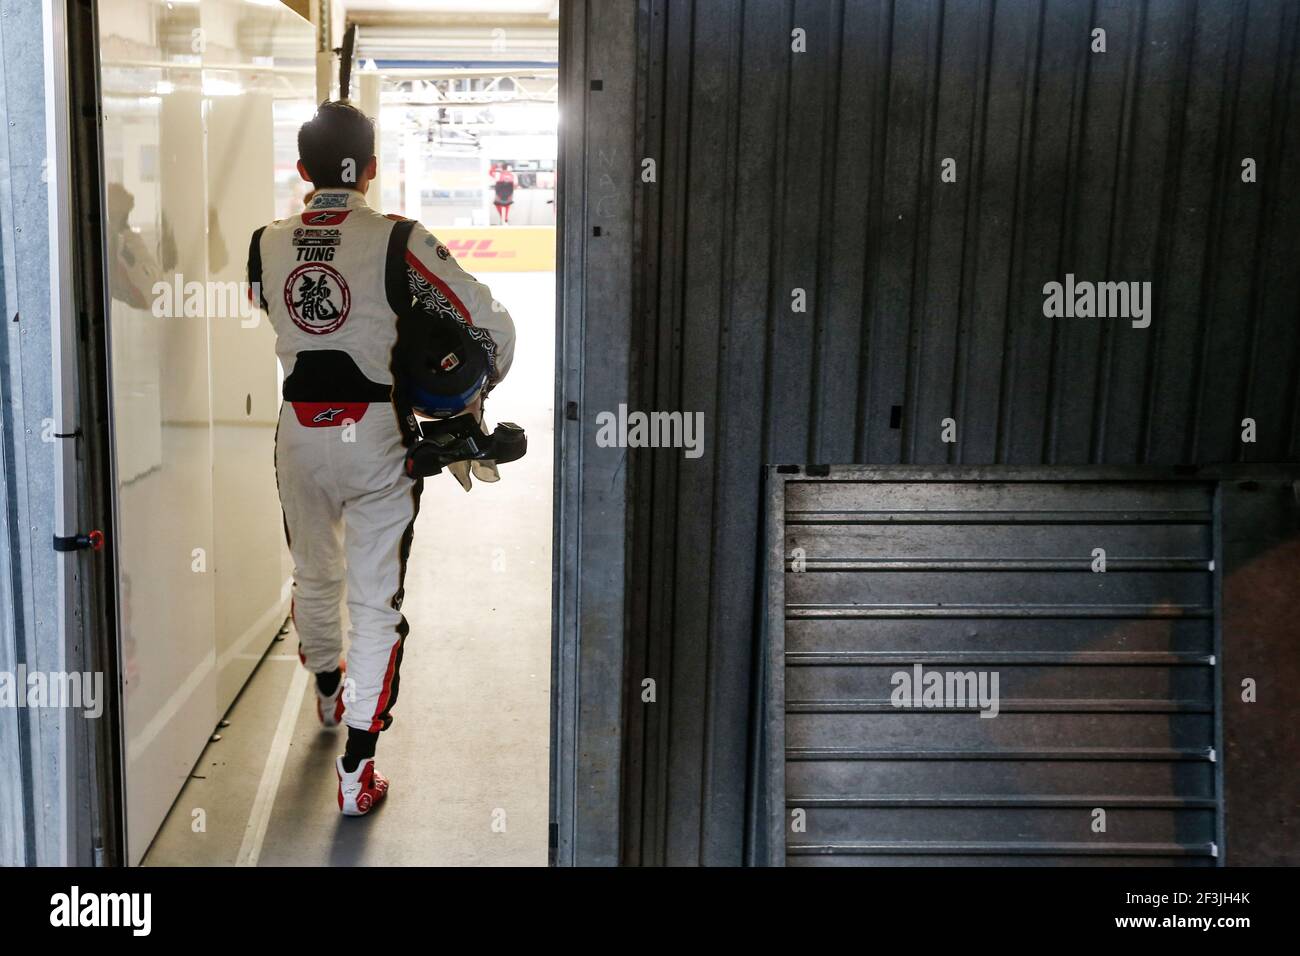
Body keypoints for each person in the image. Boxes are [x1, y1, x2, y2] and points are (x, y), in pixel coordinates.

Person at [247, 101, 516, 816]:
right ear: (370, 170)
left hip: (297, 432)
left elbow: (269, 309)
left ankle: (328, 693)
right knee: (376, 602)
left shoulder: (264, 244)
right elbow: (493, 328)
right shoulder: (399, 240)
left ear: (302, 172)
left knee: (312, 572)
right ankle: (357, 769)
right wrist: (464, 399)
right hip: (378, 437)